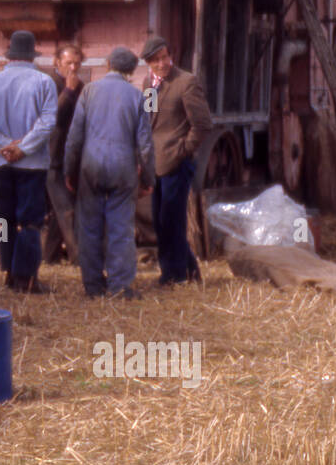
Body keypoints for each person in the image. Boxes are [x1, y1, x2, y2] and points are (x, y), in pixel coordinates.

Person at [63, 47, 155, 299]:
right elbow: (145, 146)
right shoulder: (137, 97)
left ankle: (92, 286)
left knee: (89, 228)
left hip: (90, 167)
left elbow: (74, 138)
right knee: (120, 228)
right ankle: (119, 287)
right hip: (123, 170)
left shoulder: (89, 92)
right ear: (131, 71)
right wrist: (148, 179)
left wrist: (69, 172)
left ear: (107, 64)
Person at [0, 30, 58, 293]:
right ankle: (27, 278)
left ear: (10, 55)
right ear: (32, 55)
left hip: (1, 163)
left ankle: (8, 272)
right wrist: (23, 148)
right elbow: (47, 123)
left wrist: (3, 146)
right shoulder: (45, 82)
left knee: (3, 221)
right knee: (30, 221)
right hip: (31, 165)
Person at [140, 37, 212, 286]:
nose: (161, 64)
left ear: (171, 55)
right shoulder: (149, 83)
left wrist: (184, 150)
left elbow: (202, 124)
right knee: (161, 222)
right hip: (156, 165)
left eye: (164, 57)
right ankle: (185, 272)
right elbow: (149, 120)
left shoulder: (186, 82)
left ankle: (175, 275)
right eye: (155, 60)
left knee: (172, 220)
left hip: (177, 163)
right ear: (148, 63)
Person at [43, 44, 85, 265]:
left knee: (59, 211)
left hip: (71, 157)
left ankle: (49, 258)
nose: (73, 67)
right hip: (52, 158)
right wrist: (68, 91)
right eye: (68, 62)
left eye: (77, 63)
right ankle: (79, 260)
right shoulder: (49, 85)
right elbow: (52, 119)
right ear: (57, 62)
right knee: (66, 210)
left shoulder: (81, 87)